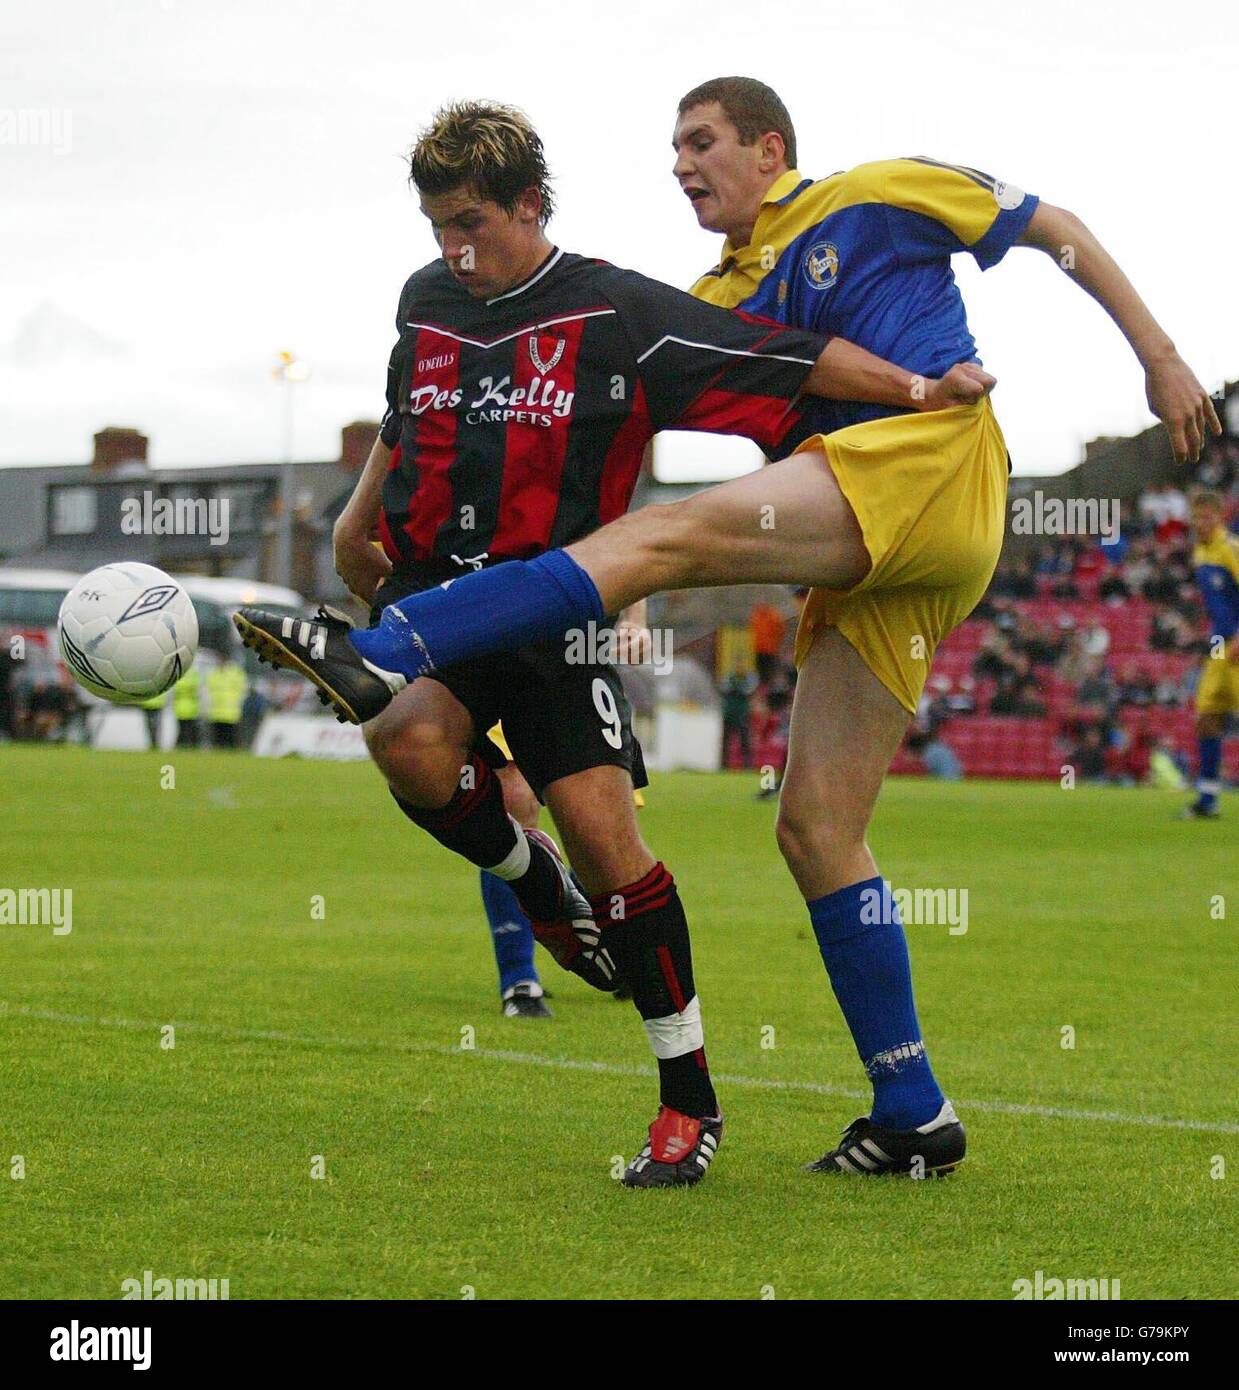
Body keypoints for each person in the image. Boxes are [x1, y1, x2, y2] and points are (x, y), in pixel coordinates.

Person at [234, 78, 1219, 1179]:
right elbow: (721, 383)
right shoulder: (710, 296)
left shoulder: (873, 193)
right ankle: (913, 1112)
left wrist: (1159, 357)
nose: (681, 163)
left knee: (664, 536)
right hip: (872, 550)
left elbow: (1054, 227)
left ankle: (384, 648)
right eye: (673, 147)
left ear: (769, 148)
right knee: (814, 829)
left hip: (928, 466)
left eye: (701, 141)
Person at [1181, 489, 1238, 818]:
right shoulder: (1200, 552)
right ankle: (1207, 799)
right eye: (1196, 517)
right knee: (1206, 717)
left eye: (1206, 517)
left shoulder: (1230, 548)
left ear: (1220, 517)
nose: (1200, 522)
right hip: (1219, 647)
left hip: (1237, 644)